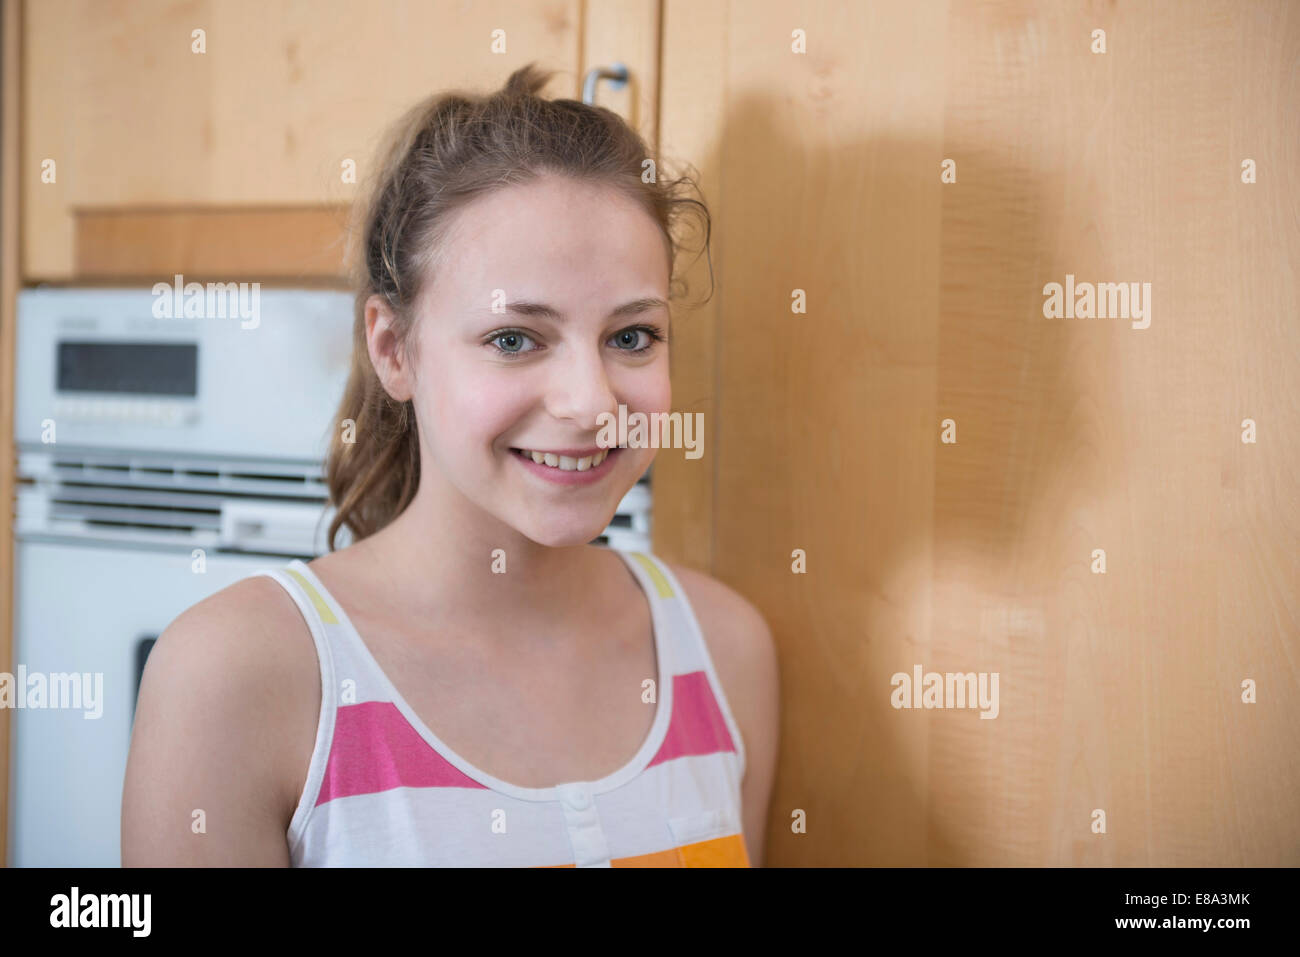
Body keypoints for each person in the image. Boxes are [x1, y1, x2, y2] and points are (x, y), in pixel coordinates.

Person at [122, 62, 779, 867]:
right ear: (394, 350)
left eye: (631, 335)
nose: (589, 400)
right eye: (514, 338)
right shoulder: (233, 676)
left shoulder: (722, 652)